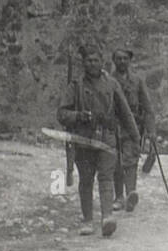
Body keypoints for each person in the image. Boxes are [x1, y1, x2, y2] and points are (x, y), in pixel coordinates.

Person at [58, 43, 139, 237]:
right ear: (83, 63)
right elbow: (61, 114)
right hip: (84, 140)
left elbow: (125, 113)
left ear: (102, 62)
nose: (92, 64)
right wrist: (78, 116)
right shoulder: (75, 86)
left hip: (107, 138)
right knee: (86, 180)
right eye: (88, 60)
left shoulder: (112, 84)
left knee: (106, 177)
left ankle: (107, 217)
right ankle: (87, 220)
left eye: (95, 60)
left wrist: (135, 137)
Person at [110, 48, 155, 212]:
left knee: (131, 161)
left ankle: (130, 195)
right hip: (114, 126)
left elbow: (148, 108)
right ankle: (119, 197)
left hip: (133, 127)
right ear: (114, 61)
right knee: (116, 162)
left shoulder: (137, 81)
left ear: (130, 61)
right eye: (118, 58)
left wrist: (151, 131)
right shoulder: (108, 80)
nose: (122, 61)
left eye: (125, 59)